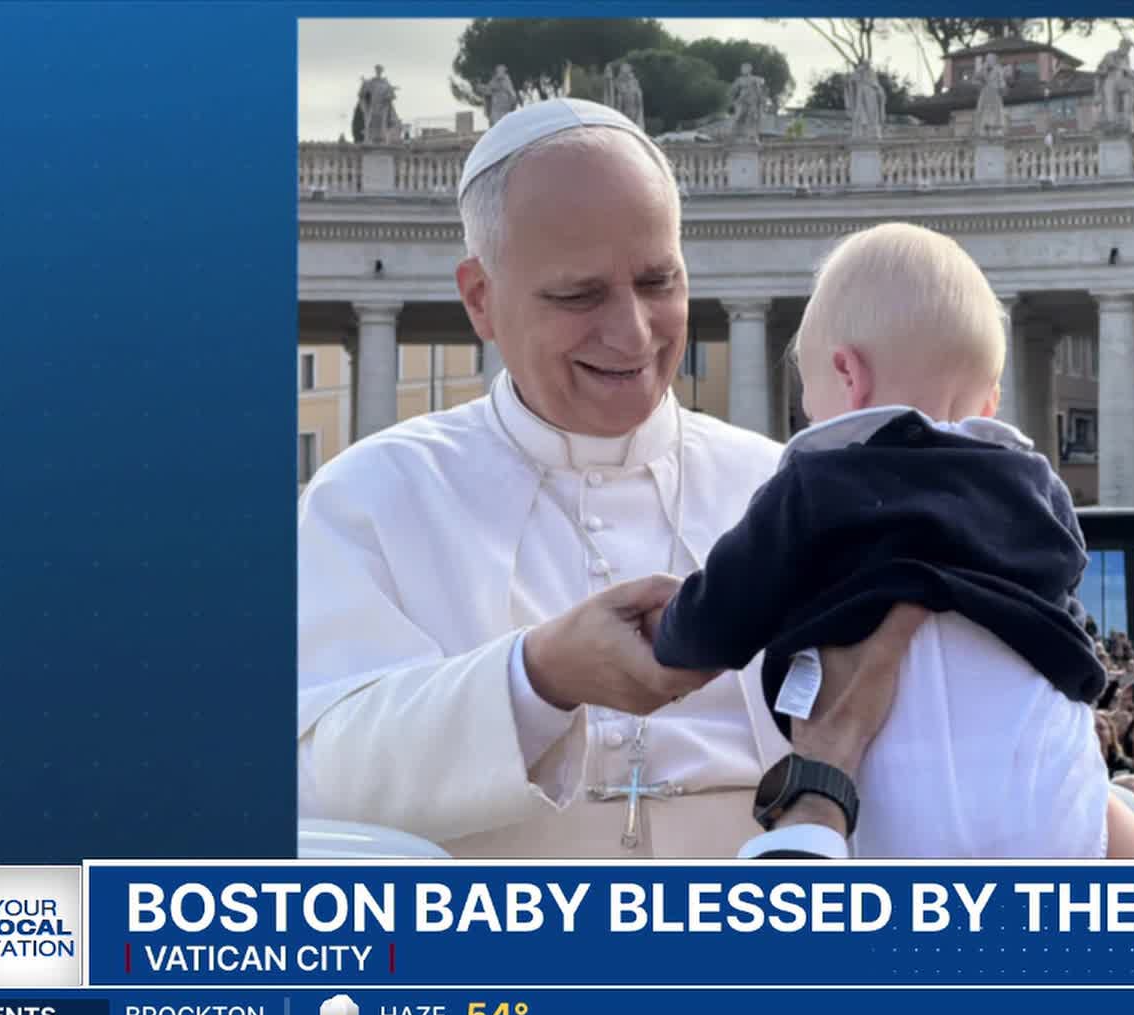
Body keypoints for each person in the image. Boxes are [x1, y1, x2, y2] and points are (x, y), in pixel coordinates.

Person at [298, 98, 920, 858]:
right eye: (578, 295)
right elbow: (318, 774)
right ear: (480, 299)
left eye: (658, 282)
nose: (633, 333)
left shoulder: (786, 486)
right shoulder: (371, 495)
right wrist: (538, 679)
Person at [654, 223, 1111, 857]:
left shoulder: (816, 482)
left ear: (847, 374)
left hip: (895, 773)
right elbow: (1067, 602)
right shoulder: (1037, 486)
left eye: (807, 397)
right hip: (1045, 778)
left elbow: (720, 615)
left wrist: (671, 630)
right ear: (991, 400)